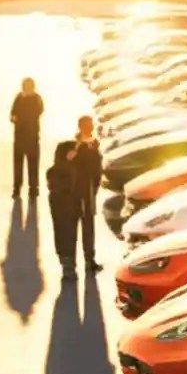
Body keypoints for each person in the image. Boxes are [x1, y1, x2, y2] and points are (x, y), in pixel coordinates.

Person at [71, 116, 103, 272]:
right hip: (79, 192)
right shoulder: (76, 146)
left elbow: (97, 169)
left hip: (89, 192)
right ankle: (71, 264)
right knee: (75, 228)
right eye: (89, 125)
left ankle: (90, 260)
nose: (91, 128)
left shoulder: (93, 144)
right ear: (82, 127)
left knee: (88, 228)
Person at [46, 140, 78, 280]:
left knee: (64, 235)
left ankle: (67, 263)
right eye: (73, 150)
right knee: (66, 235)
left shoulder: (54, 170)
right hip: (64, 206)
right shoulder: (64, 170)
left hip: (63, 206)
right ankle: (67, 264)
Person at [10, 77, 45, 199]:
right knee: (18, 164)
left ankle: (33, 188)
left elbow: (37, 112)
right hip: (19, 137)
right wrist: (14, 118)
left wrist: (20, 117)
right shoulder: (19, 98)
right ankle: (17, 188)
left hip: (32, 137)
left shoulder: (37, 99)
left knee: (33, 164)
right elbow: (12, 113)